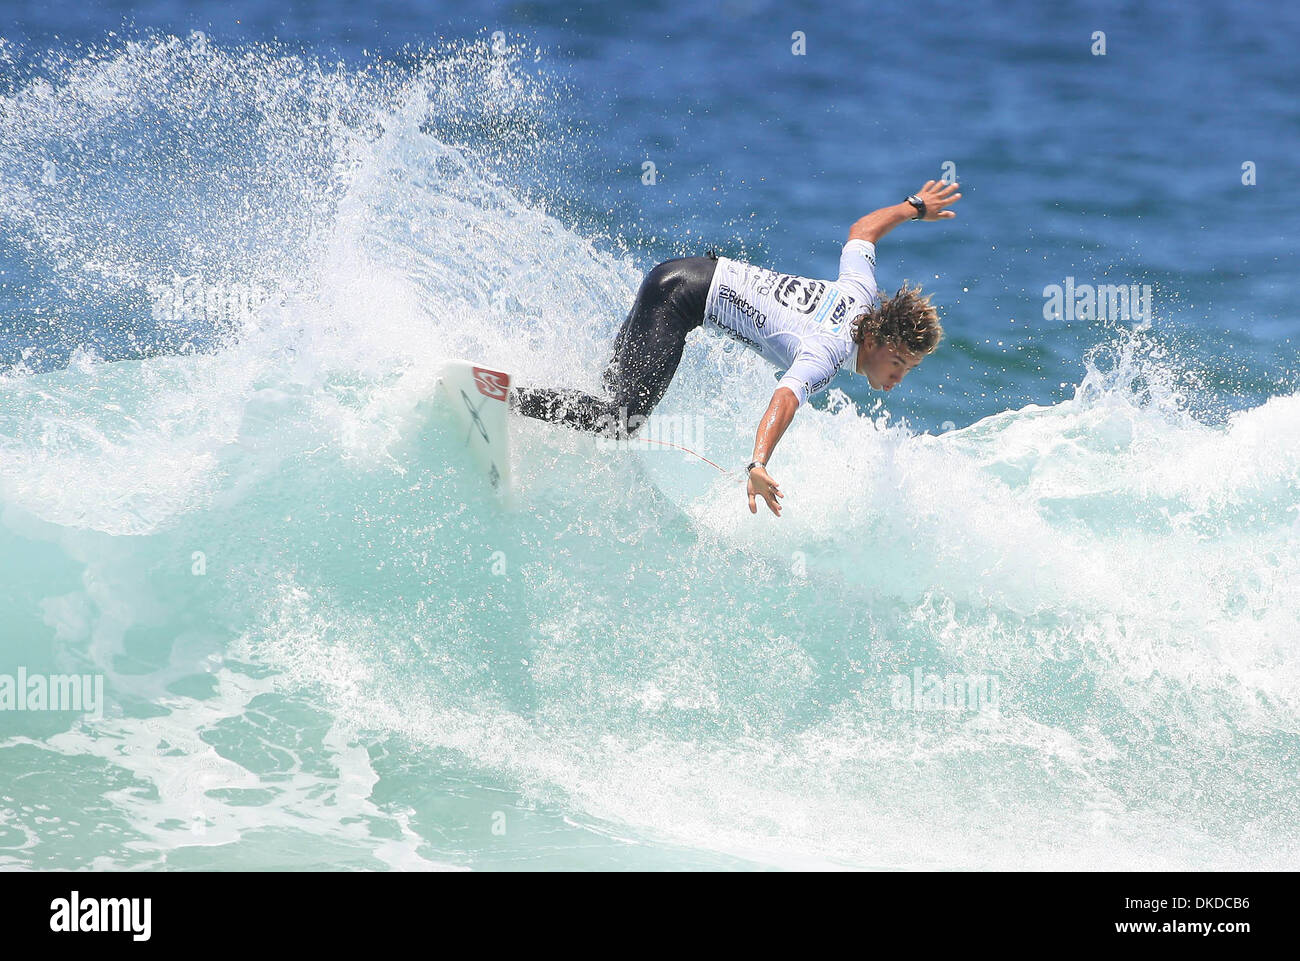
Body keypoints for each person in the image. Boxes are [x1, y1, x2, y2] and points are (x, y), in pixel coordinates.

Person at [511, 179, 960, 516]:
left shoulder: (861, 292)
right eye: (899, 363)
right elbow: (784, 398)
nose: (899, 378)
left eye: (909, 369)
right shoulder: (828, 353)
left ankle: (517, 413)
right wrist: (758, 463)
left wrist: (913, 207)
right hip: (677, 302)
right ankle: (506, 397)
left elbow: (862, 231)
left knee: (611, 396)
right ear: (879, 340)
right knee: (621, 422)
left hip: (676, 274)